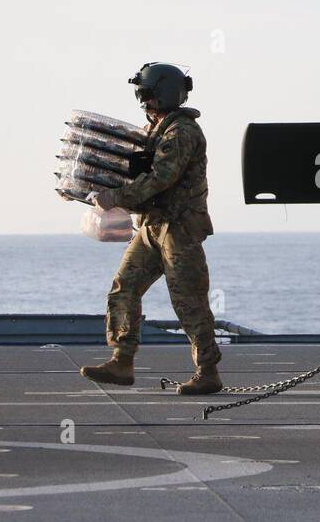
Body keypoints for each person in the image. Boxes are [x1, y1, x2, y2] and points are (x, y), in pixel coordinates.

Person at [81, 63, 223, 395]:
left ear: (165, 94)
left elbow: (161, 179)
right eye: (141, 96)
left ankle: (208, 372)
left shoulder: (181, 133)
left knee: (189, 302)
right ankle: (122, 360)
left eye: (147, 95)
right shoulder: (158, 130)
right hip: (152, 226)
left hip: (178, 229)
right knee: (124, 288)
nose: (144, 103)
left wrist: (113, 198)